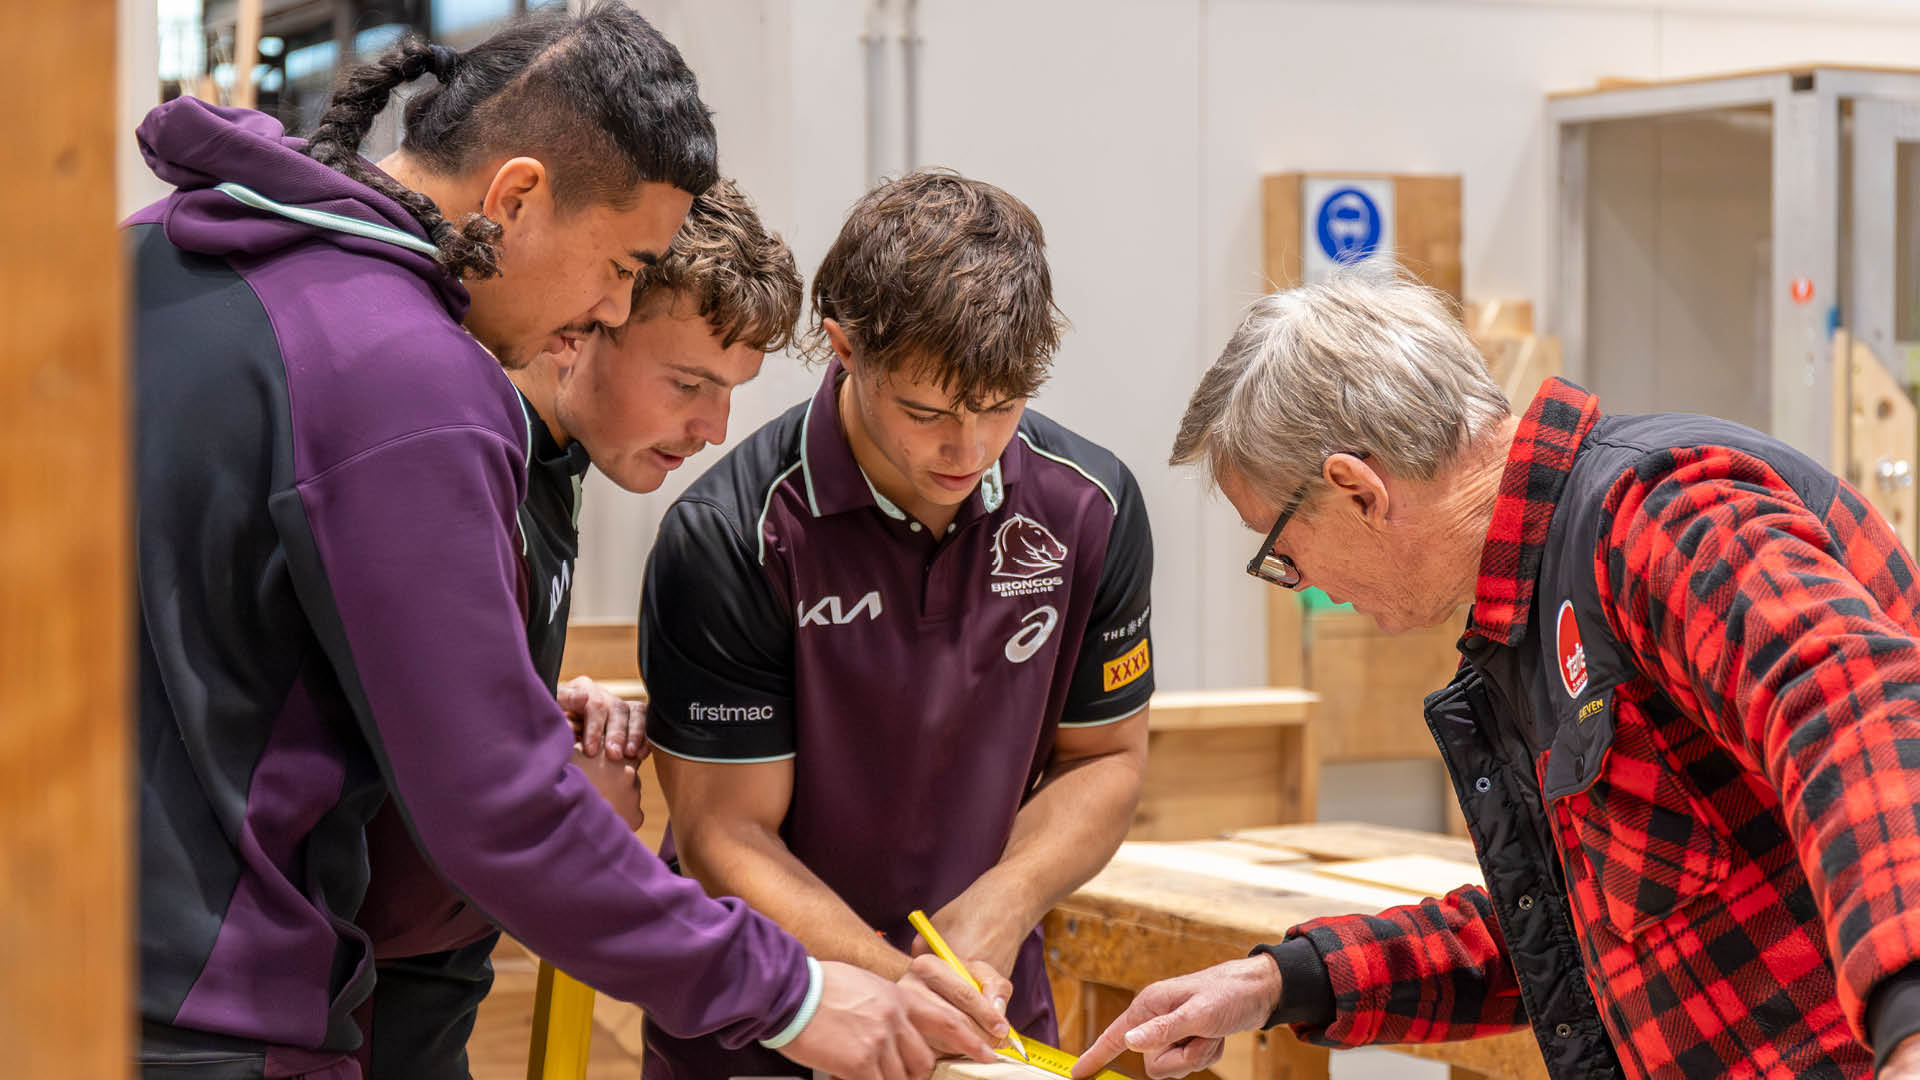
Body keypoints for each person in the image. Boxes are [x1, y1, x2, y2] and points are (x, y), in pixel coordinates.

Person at [129, 8, 939, 1077]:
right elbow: (496, 812)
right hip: (212, 1017)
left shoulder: (144, 260)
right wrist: (784, 991)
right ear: (515, 198)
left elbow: (210, 630)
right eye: (620, 264)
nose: (606, 309)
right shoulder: (409, 374)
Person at [1071, 271, 1920, 1080]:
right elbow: (1564, 927)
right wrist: (1282, 983)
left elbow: (1857, 719)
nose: (1304, 584)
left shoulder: (1659, 514)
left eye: (1282, 554)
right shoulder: (1531, 614)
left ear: (1358, 489)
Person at [637, 168, 1159, 1078]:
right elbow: (727, 834)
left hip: (983, 1017)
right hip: (765, 1023)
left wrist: (1006, 900)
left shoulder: (1092, 508)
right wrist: (893, 982)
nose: (968, 449)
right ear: (843, 347)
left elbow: (1105, 758)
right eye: (927, 412)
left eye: (1001, 408)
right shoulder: (730, 535)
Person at [351, 177, 808, 1078]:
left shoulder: (551, 470)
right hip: (338, 998)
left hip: (423, 993)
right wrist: (544, 783)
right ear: (580, 327)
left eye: (730, 393)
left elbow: (404, 684)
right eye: (688, 383)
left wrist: (530, 708)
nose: (714, 428)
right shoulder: (460, 459)